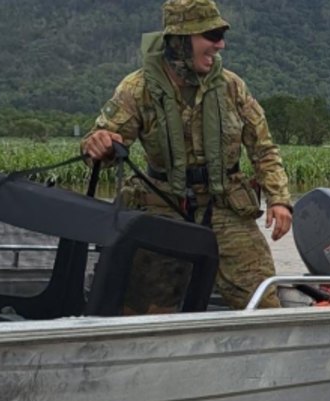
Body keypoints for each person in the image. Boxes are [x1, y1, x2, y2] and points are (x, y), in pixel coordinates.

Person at [82, 0, 292, 312]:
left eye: (220, 35)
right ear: (181, 40)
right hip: (164, 206)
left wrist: (278, 199)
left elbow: (263, 150)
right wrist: (99, 144)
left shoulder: (232, 87)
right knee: (148, 309)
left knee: (262, 303)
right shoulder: (137, 89)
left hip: (226, 207)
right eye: (211, 35)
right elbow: (98, 147)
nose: (219, 44)